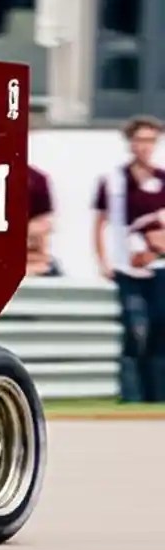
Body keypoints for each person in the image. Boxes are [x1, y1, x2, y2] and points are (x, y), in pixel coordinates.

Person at [92, 114, 165, 402]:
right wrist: (103, 261)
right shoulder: (113, 181)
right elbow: (100, 223)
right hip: (127, 268)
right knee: (136, 330)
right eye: (139, 140)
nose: (145, 146)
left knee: (161, 330)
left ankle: (157, 396)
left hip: (160, 267)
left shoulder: (162, 180)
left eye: (150, 140)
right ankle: (132, 395)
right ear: (130, 143)